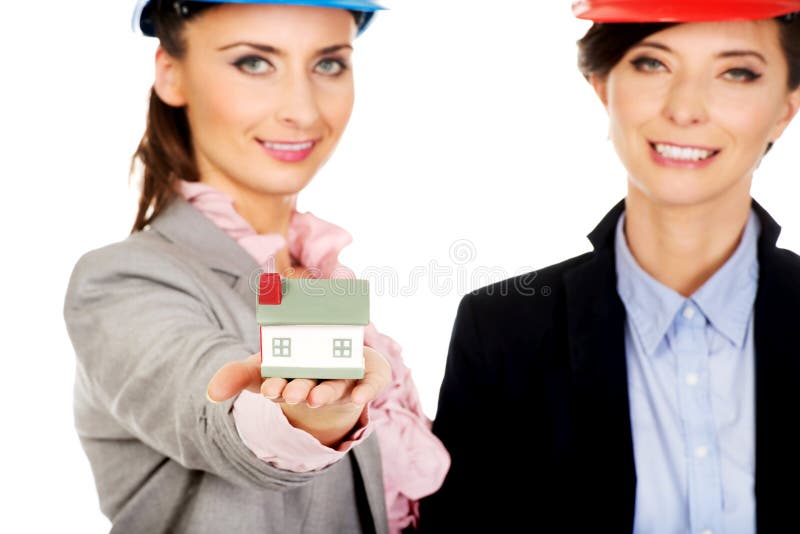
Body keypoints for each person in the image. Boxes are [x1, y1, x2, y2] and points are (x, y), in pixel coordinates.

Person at [63, 1, 449, 532]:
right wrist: (312, 414)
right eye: (253, 62)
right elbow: (210, 405)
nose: (303, 109)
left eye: (329, 64)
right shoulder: (121, 283)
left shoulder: (321, 271)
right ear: (171, 74)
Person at [418, 1, 800, 532]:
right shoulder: (502, 332)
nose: (685, 108)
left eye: (735, 72)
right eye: (653, 63)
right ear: (603, 85)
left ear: (786, 106)